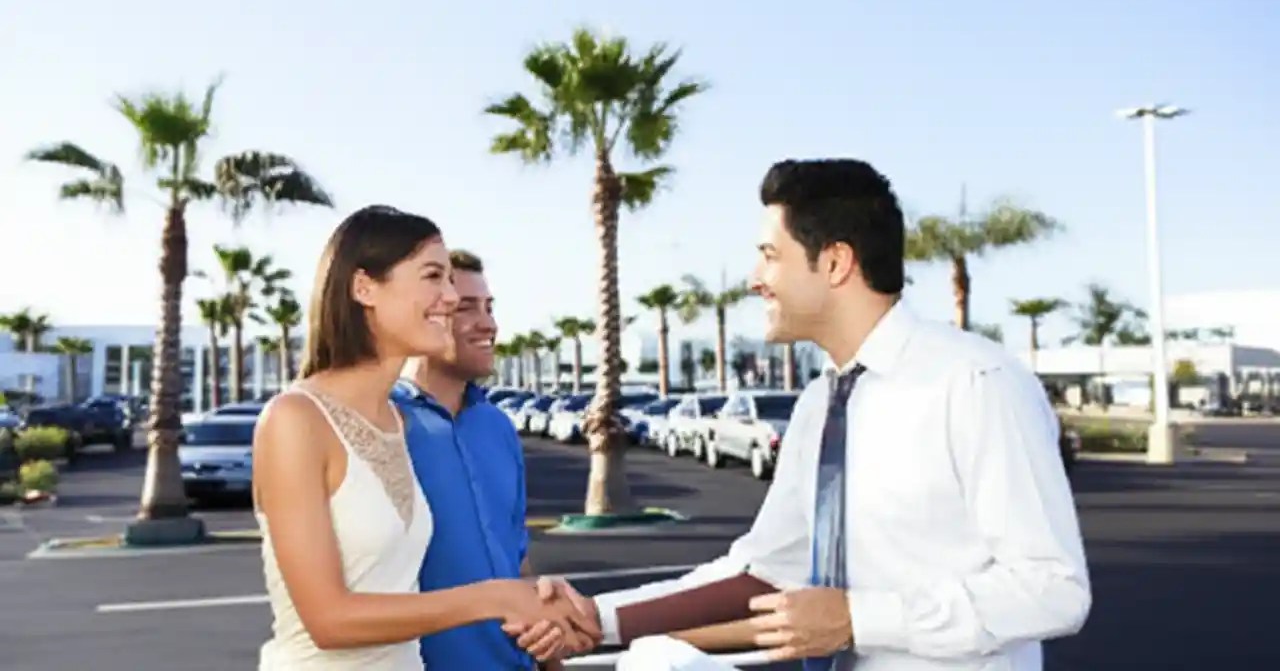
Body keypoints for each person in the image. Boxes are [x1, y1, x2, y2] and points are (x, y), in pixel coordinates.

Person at [519, 160, 1091, 670]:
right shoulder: (822, 402)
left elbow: (1053, 588)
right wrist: (599, 617)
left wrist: (860, 619)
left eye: (771, 255)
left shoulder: (975, 382)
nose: (754, 279)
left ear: (836, 262)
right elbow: (768, 570)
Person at [252, 205, 589, 670]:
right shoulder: (294, 419)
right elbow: (327, 621)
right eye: (434, 276)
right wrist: (496, 598)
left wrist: (535, 609)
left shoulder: (398, 421)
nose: (450, 298)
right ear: (363, 287)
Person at [393, 248, 592, 669]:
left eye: (489, 307)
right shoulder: (380, 424)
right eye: (466, 308)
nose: (489, 324)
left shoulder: (498, 427)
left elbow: (515, 560)